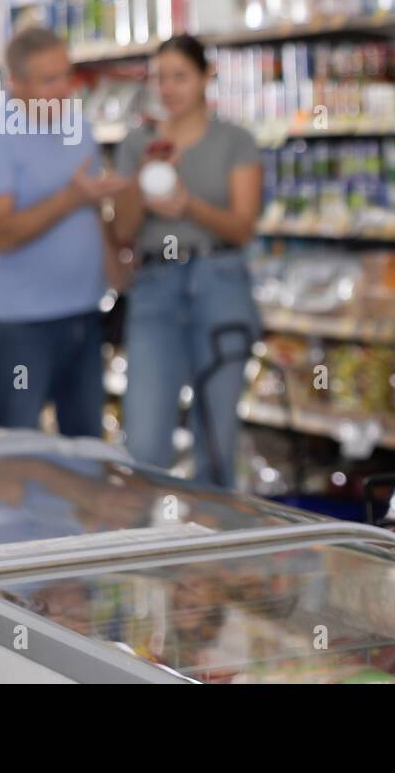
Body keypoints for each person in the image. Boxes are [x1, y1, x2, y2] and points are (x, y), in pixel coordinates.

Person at [112, 35, 261, 488]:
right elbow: (122, 229)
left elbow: (242, 227)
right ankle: (138, 552)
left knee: (216, 437)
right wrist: (141, 179)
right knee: (144, 441)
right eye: (160, 78)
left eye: (180, 76)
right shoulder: (137, 144)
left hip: (220, 282)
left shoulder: (235, 141)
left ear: (204, 78)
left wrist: (187, 206)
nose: (170, 88)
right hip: (155, 287)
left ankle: (213, 555)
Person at [0, 26, 127, 436]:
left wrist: (116, 271)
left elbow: (93, 209)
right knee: (18, 445)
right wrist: (70, 198)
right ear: (15, 83)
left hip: (84, 315)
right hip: (23, 325)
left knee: (85, 444)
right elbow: (3, 233)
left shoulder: (78, 127)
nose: (63, 89)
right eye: (48, 80)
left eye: (66, 76)